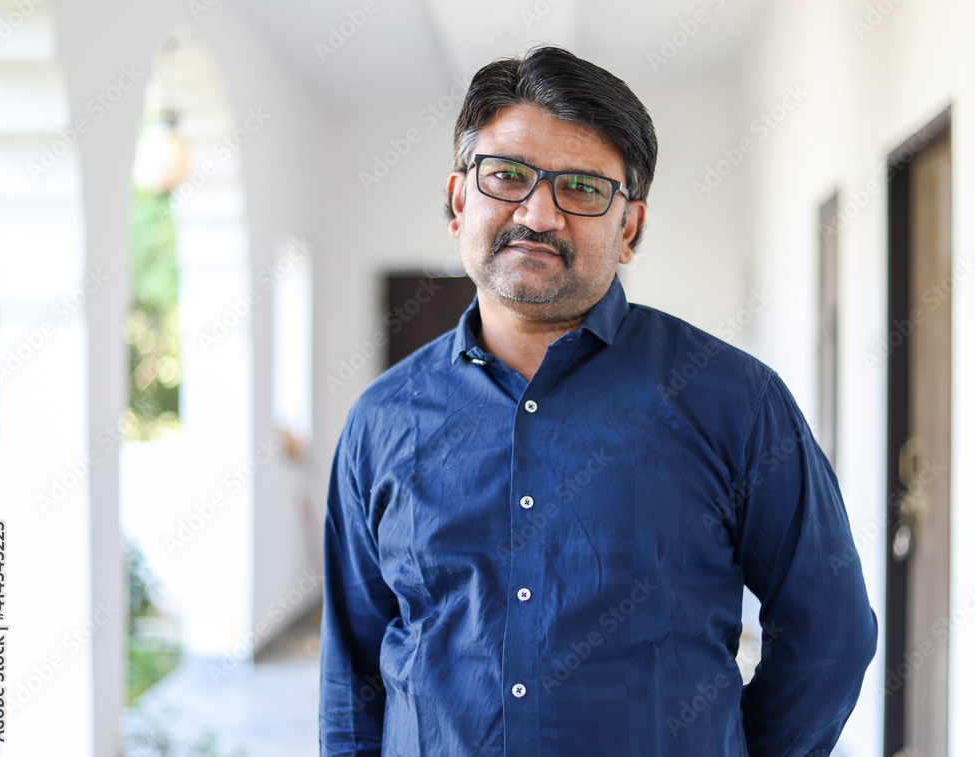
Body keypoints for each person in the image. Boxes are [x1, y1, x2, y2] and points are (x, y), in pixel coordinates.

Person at [320, 46, 877, 756]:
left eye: (581, 187)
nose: (538, 212)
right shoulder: (382, 420)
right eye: (507, 176)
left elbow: (831, 634)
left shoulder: (732, 400)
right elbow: (354, 675)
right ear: (461, 202)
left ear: (630, 229)